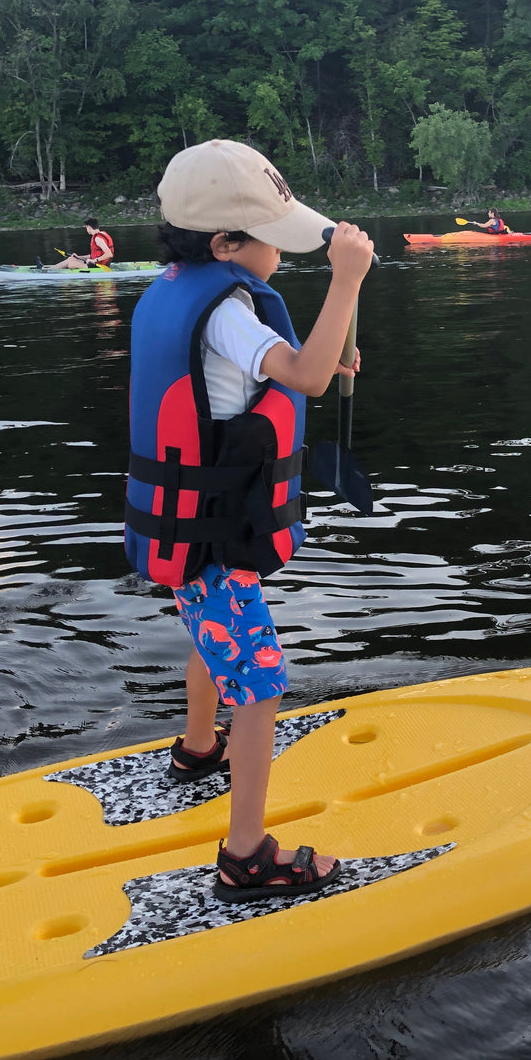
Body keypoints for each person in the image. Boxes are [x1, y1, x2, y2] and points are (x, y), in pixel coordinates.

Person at [124, 138, 374, 904]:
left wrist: (328, 347)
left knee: (210, 639)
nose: (281, 255)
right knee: (260, 683)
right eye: (272, 241)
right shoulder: (230, 310)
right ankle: (246, 856)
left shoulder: (178, 289)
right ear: (224, 244)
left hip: (190, 532)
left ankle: (200, 748)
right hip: (213, 535)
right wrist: (346, 279)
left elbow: (260, 375)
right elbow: (304, 376)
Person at [46, 219, 115, 270]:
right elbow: (94, 255)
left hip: (100, 266)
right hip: (96, 263)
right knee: (72, 258)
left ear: (89, 227)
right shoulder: (102, 234)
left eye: (86, 227)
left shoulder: (98, 239)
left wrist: (94, 260)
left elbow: (109, 254)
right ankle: (52, 269)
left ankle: (51, 270)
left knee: (71, 264)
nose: (86, 229)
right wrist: (78, 257)